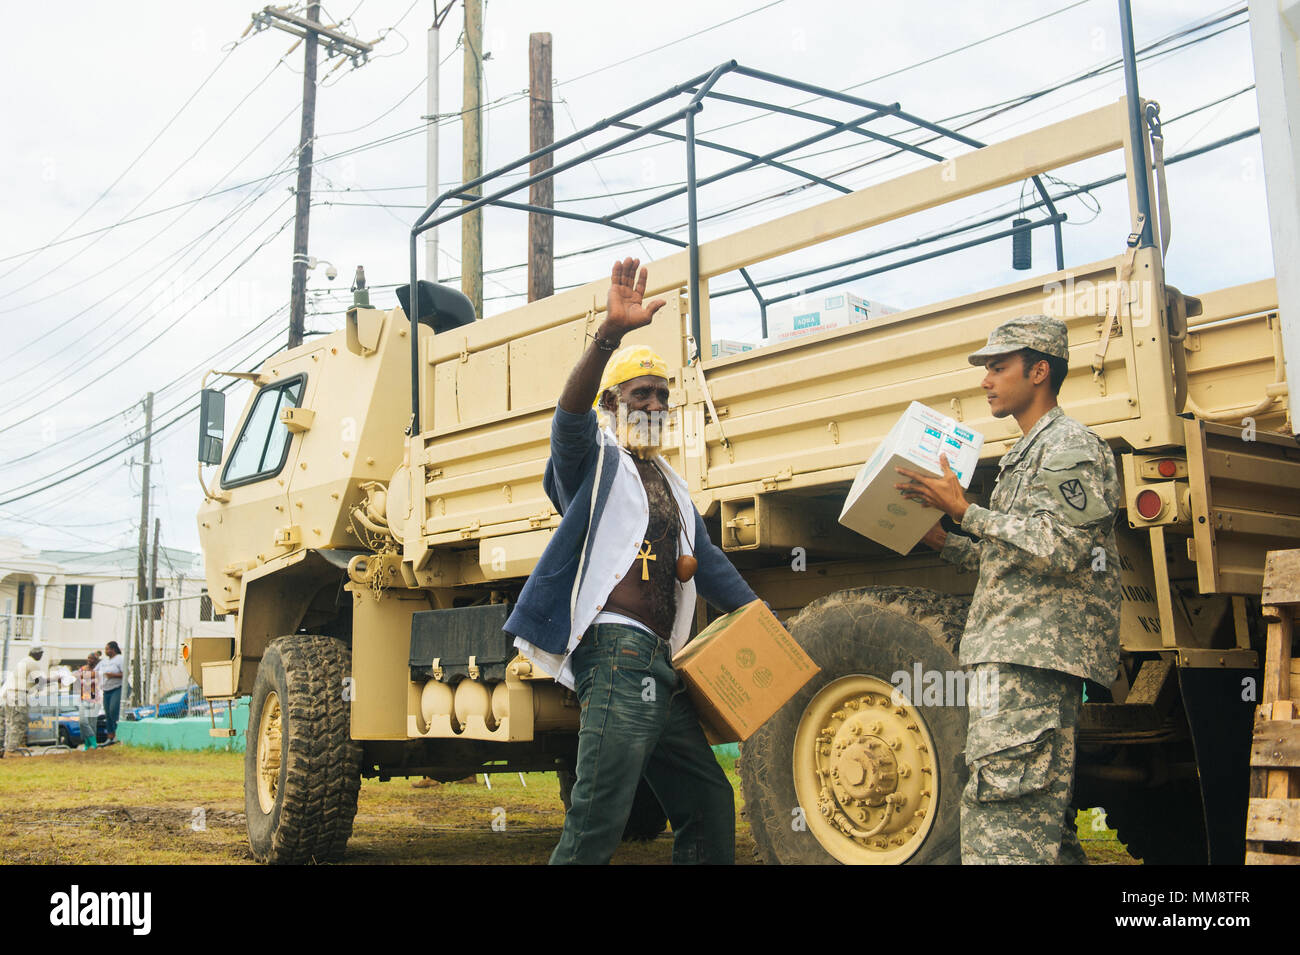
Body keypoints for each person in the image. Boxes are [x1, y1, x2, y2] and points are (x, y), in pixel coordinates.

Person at [504, 257, 761, 865]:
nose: (654, 403)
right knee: (598, 818)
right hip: (617, 655)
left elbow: (709, 563)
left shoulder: (672, 483)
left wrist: (762, 622)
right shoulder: (595, 463)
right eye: (640, 393)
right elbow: (567, 420)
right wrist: (609, 336)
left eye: (662, 395)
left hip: (661, 664)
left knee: (708, 801)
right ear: (612, 403)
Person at [894, 314, 1121, 865]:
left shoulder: (1068, 446)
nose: (986, 380)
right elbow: (1016, 560)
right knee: (1038, 830)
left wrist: (967, 512)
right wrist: (944, 540)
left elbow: (1065, 548)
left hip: (1030, 662)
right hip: (1015, 656)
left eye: (998, 367)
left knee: (1003, 826)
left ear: (1039, 371)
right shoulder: (1028, 452)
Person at [2, 646, 46, 756]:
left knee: (10, 723)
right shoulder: (32, 663)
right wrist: (56, 679)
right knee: (18, 722)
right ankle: (11, 750)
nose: (41, 656)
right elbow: (40, 680)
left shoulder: (23, 661)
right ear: (36, 654)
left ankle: (7, 748)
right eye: (41, 654)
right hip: (19, 695)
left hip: (9, 694)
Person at [95, 641, 125, 746]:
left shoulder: (120, 659)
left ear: (113, 649)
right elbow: (95, 671)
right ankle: (110, 737)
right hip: (106, 690)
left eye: (107, 649)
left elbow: (125, 673)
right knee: (107, 714)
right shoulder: (104, 661)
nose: (106, 651)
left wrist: (113, 675)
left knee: (113, 710)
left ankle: (118, 734)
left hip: (116, 688)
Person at [78, 652, 102, 750]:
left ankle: (88, 745)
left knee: (92, 724)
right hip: (84, 699)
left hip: (95, 700)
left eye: (92, 658)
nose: (89, 660)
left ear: (96, 660)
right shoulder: (82, 669)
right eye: (88, 658)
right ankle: (93, 742)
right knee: (82, 722)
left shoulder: (99, 670)